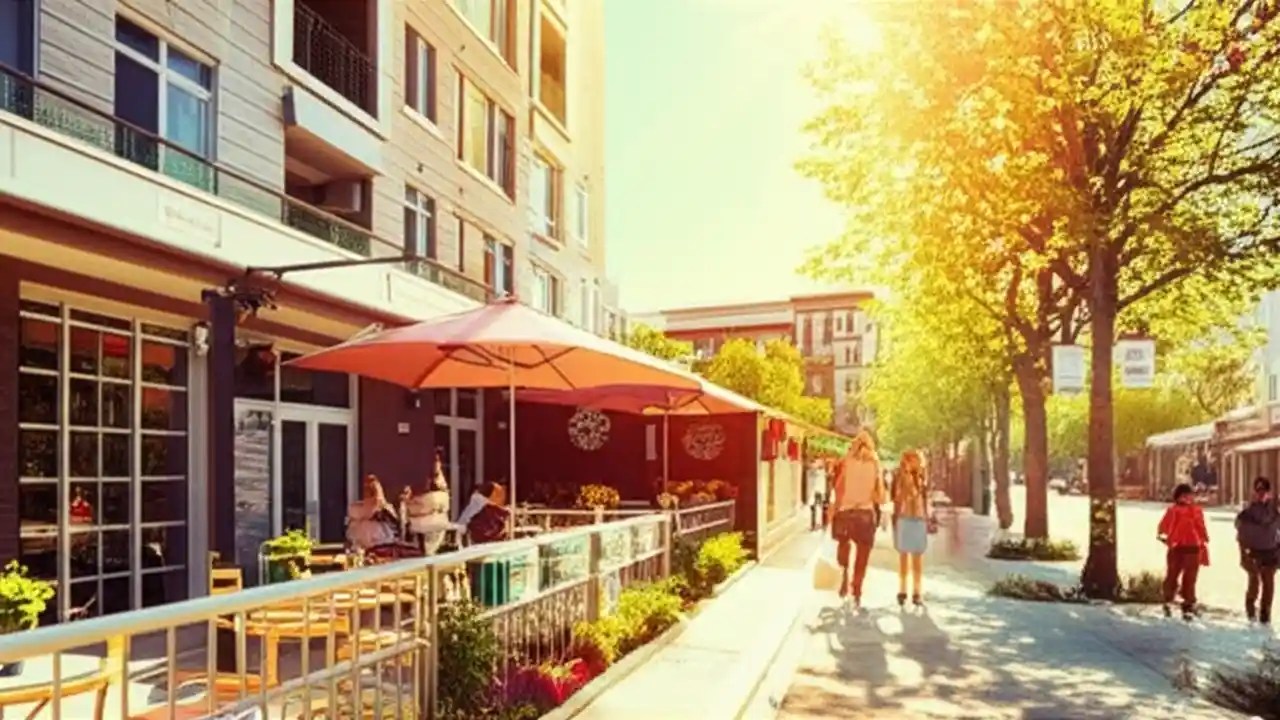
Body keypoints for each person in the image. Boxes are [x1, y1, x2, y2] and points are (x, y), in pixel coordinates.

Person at [828, 430, 887, 607]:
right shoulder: (875, 464)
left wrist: (834, 509)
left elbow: (839, 489)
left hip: (846, 512)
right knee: (863, 553)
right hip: (865, 514)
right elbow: (880, 496)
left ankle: (845, 573)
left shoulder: (847, 462)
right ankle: (857, 588)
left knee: (843, 544)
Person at [1158, 482, 1209, 621]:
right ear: (1178, 497)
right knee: (1172, 575)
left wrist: (1204, 541)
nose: (1187, 498)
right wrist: (1165, 538)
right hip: (1177, 547)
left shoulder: (1196, 511)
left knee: (1190, 577)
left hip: (1194, 547)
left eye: (1189, 495)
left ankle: (1189, 601)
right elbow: (1163, 528)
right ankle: (1168, 599)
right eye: (1184, 495)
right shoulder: (1173, 510)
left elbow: (1201, 527)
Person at [1236, 476, 1280, 625]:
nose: (1261, 493)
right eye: (1258, 490)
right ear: (1254, 492)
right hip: (1253, 553)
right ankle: (1250, 613)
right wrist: (1242, 555)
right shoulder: (1246, 514)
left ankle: (1265, 616)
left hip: (1271, 553)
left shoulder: (1275, 513)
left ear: (1269, 493)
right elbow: (1240, 536)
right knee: (1254, 586)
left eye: (1264, 490)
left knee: (1269, 586)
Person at [892, 450, 931, 608]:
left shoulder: (923, 477)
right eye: (908, 459)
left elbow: (923, 497)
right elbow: (897, 497)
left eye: (914, 459)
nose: (912, 462)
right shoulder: (900, 476)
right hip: (904, 517)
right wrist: (906, 477)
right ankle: (902, 590)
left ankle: (917, 591)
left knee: (917, 557)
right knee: (903, 556)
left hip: (919, 518)